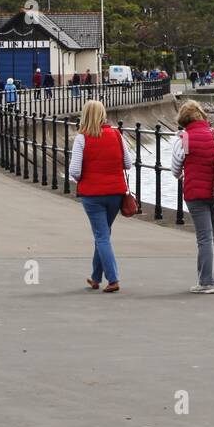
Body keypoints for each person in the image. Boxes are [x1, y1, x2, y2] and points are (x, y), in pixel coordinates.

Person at [68, 99, 132, 293]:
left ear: (85, 115)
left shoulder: (82, 138)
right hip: (115, 193)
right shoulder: (116, 134)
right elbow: (128, 163)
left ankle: (113, 279)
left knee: (102, 235)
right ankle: (96, 277)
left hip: (92, 194)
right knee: (103, 233)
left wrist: (86, 176)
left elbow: (75, 170)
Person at [170, 99, 214, 294]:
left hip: (196, 194)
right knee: (211, 235)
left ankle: (207, 282)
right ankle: (206, 278)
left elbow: (175, 169)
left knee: (204, 237)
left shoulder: (183, 138)